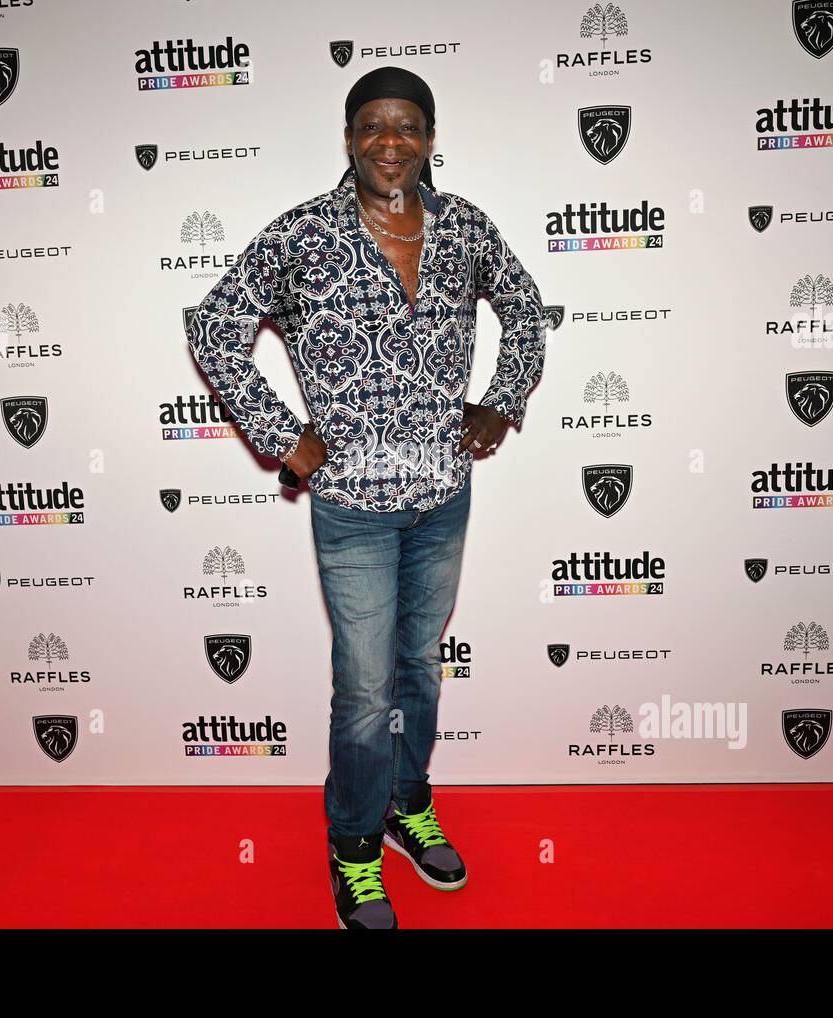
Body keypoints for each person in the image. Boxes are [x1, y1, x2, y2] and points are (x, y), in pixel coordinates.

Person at [187, 66, 546, 929]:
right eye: (374, 127)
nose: (393, 142)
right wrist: (282, 436)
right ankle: (352, 847)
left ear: (430, 138)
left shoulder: (464, 228)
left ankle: (404, 801)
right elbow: (214, 324)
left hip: (441, 497)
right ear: (350, 139)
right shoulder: (304, 235)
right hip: (349, 503)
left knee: (419, 667)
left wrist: (504, 399)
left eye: (409, 126)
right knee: (363, 685)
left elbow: (528, 311)